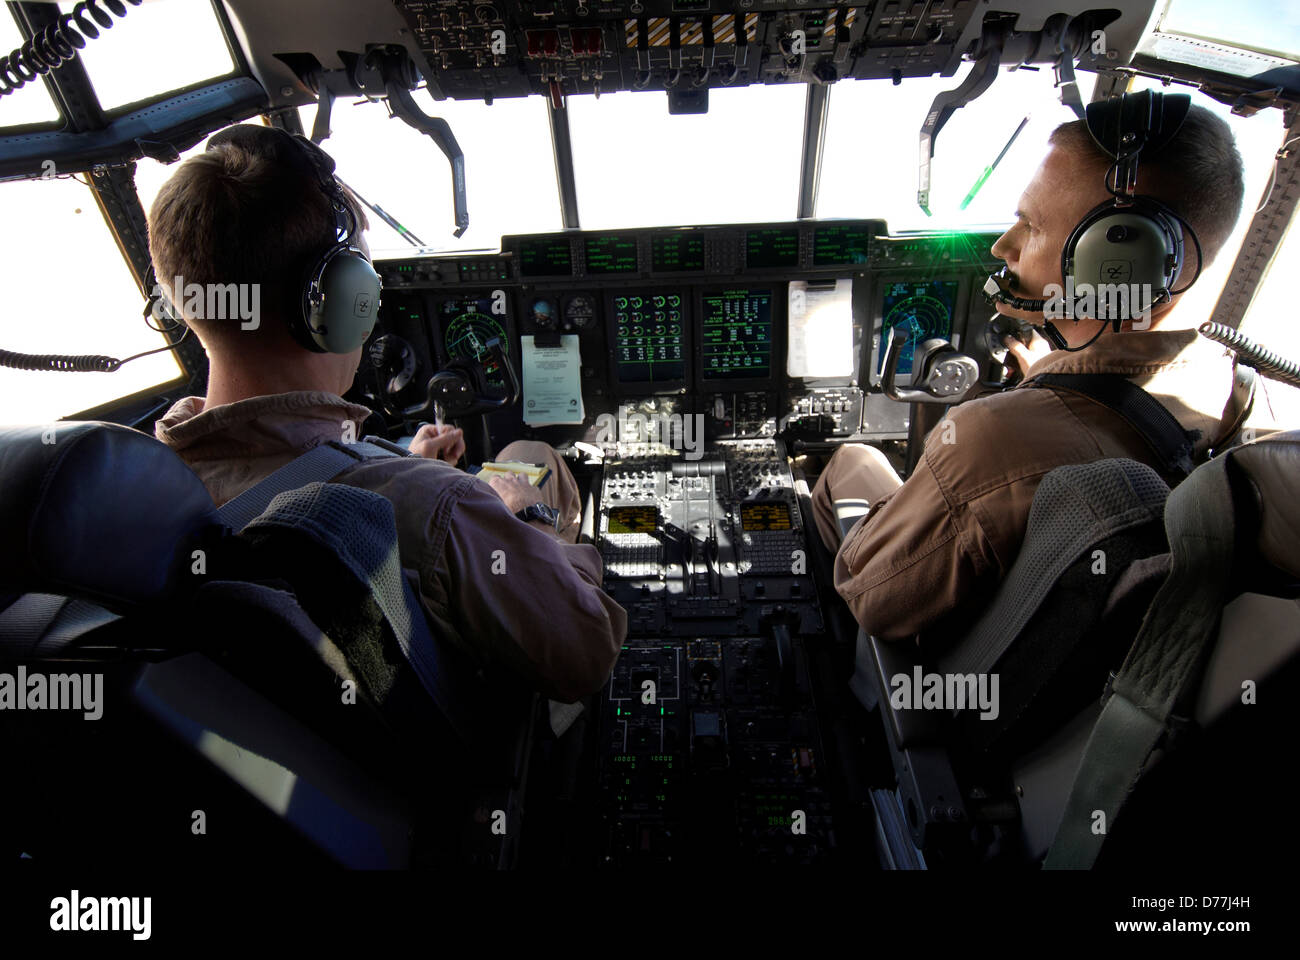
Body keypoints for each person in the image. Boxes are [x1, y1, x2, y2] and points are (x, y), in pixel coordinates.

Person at [147, 123, 625, 702]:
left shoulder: (146, 479)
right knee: (528, 459)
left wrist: (396, 458)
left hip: (320, 751)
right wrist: (523, 518)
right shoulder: (440, 506)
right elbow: (586, 653)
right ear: (341, 304)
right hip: (462, 747)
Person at [811, 101, 1245, 644]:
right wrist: (1050, 378)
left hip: (933, 677)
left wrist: (1007, 414)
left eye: (1031, 226)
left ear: (1121, 260)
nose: (1002, 246)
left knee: (852, 457)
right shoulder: (1229, 392)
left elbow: (873, 596)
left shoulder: (996, 437)